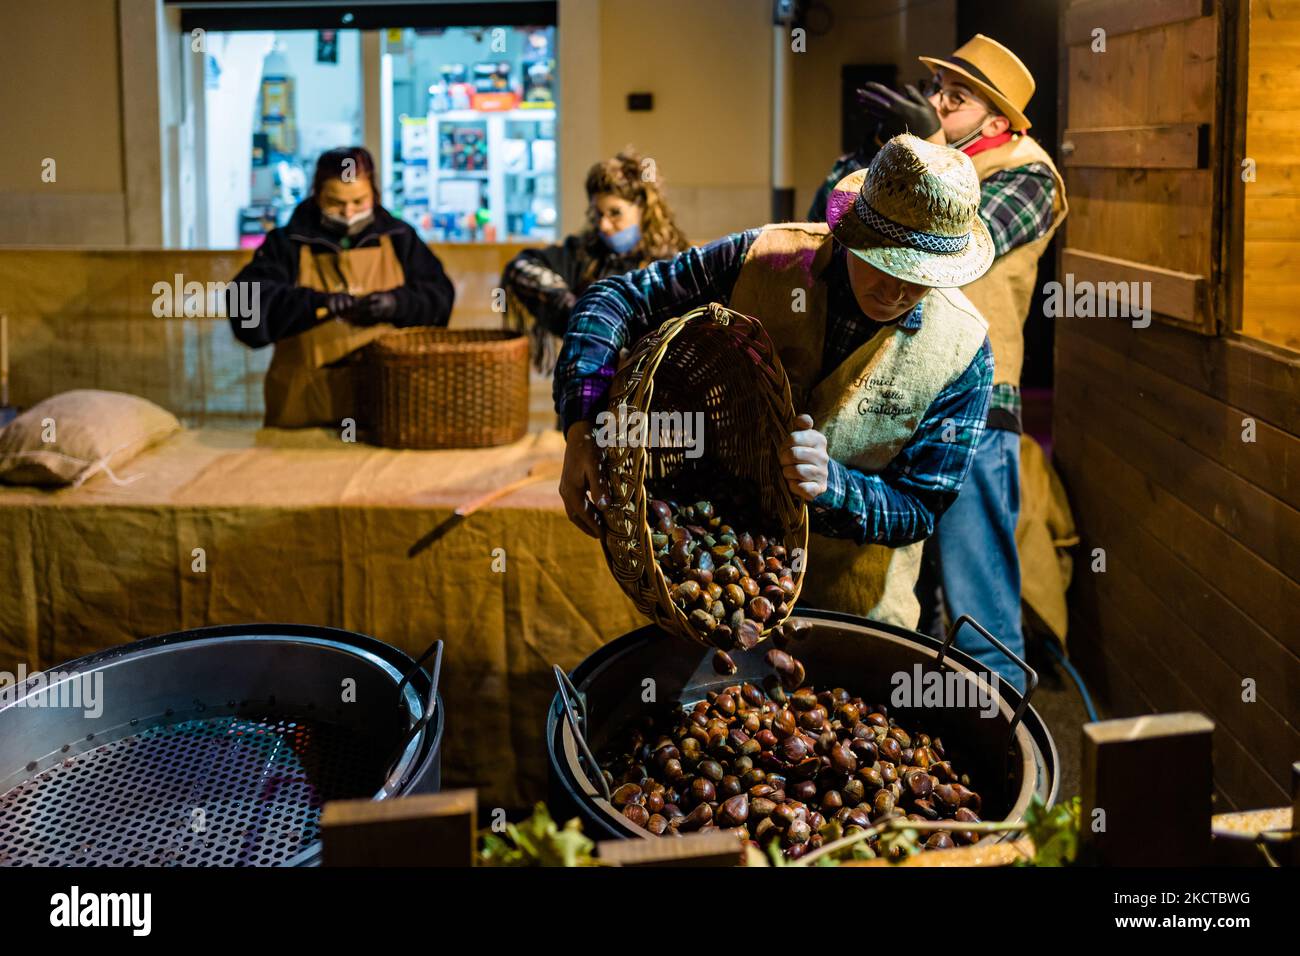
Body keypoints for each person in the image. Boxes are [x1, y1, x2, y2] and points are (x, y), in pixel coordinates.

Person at [556, 134, 994, 629]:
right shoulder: (765, 258)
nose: (896, 291)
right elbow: (614, 299)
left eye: (921, 277)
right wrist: (581, 423)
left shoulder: (963, 350)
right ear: (850, 231)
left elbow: (920, 506)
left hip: (854, 615)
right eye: (884, 261)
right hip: (705, 587)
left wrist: (836, 486)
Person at [810, 36, 1068, 693]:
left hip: (977, 403)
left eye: (956, 98)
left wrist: (932, 155)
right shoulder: (923, 158)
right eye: (935, 91)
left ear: (998, 121)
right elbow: (829, 222)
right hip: (891, 392)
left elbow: (964, 244)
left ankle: (1006, 735)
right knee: (895, 584)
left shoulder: (1030, 172)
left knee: (977, 587)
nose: (936, 103)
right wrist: (883, 158)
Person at [228, 146, 456, 427]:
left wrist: (397, 304)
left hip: (387, 406)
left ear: (374, 192)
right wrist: (315, 305)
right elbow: (244, 304)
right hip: (303, 408)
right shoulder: (288, 243)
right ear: (316, 194)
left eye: (359, 202)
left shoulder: (400, 238)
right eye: (335, 203)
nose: (348, 213)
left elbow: (440, 296)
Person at [501, 150, 689, 372]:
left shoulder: (675, 262)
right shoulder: (586, 252)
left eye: (615, 213)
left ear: (643, 208)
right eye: (599, 214)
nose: (604, 225)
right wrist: (579, 312)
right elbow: (520, 267)